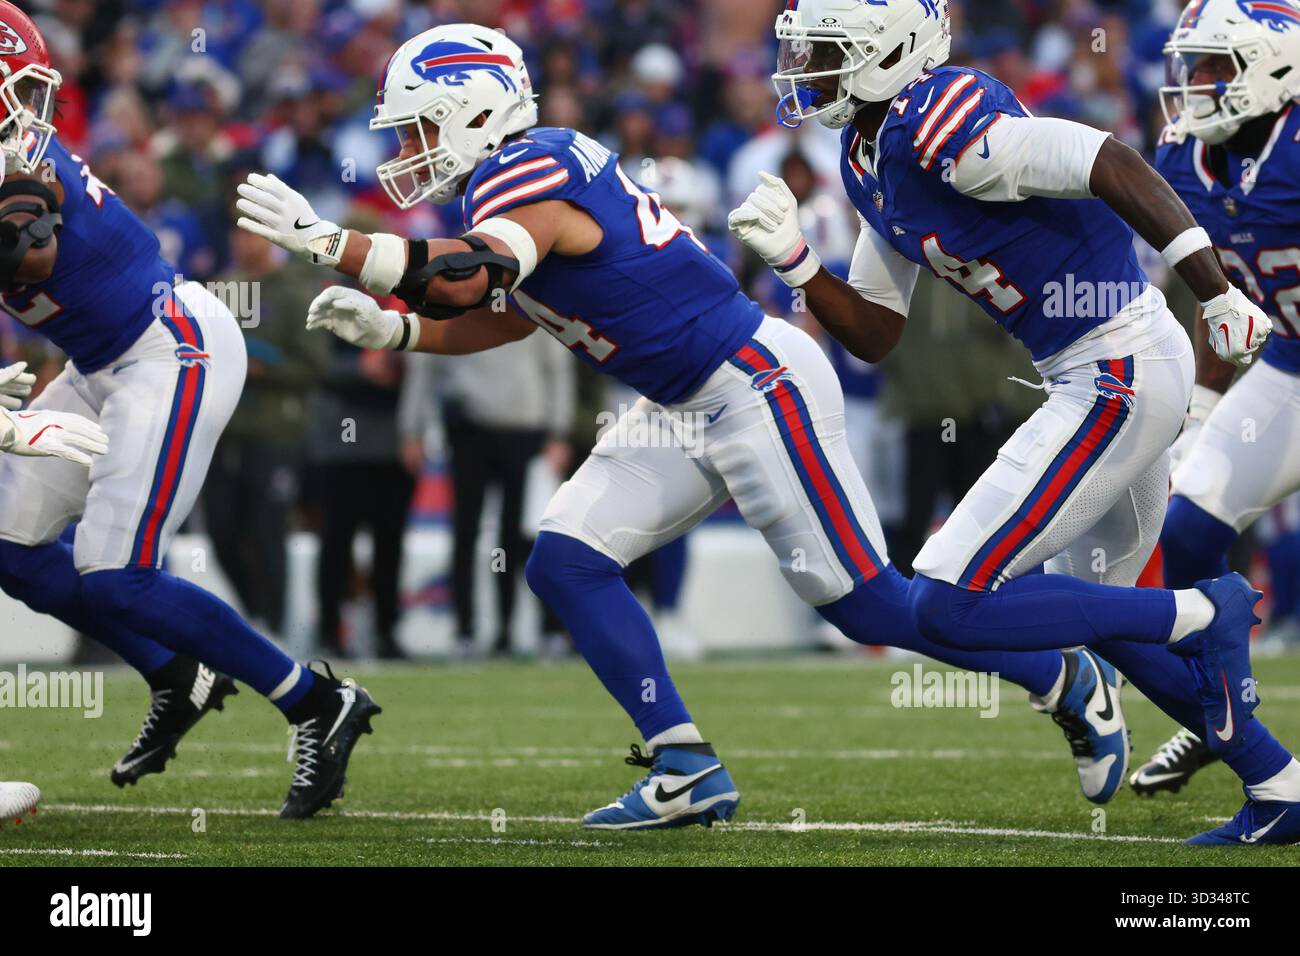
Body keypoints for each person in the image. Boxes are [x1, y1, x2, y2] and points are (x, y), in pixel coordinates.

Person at [238, 23, 1135, 829]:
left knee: (869, 605)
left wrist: (335, 244)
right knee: (565, 558)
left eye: (422, 125)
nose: (408, 149)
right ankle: (682, 762)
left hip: (751, 383)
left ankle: (1061, 673)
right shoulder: (508, 179)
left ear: (474, 113)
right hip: (677, 403)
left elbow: (473, 276)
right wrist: (399, 327)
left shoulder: (531, 167)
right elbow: (514, 310)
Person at [739, 0, 1298, 845]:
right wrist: (797, 264)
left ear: (888, 50)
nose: (805, 68)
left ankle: (1201, 613)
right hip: (1096, 368)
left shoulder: (941, 119)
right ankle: (1279, 783)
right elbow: (877, 334)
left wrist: (1215, 290)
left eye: (824, 50)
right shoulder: (869, 152)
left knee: (946, 605)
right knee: (1110, 620)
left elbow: (1104, 156)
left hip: (1115, 365)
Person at [0, 2, 377, 819]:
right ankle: (177, 672)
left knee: (116, 571)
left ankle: (316, 701)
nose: (27, 111)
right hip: (103, 364)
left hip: (170, 348)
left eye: (27, 90)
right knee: (11, 546)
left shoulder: (22, 182)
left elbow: (27, 244)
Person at [1128, 0, 1300, 799]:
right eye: (1189, 68)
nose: (1194, 88)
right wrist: (1199, 402)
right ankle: (1223, 716)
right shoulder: (1185, 156)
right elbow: (1217, 291)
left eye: (1214, 69)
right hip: (1289, 368)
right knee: (1189, 534)